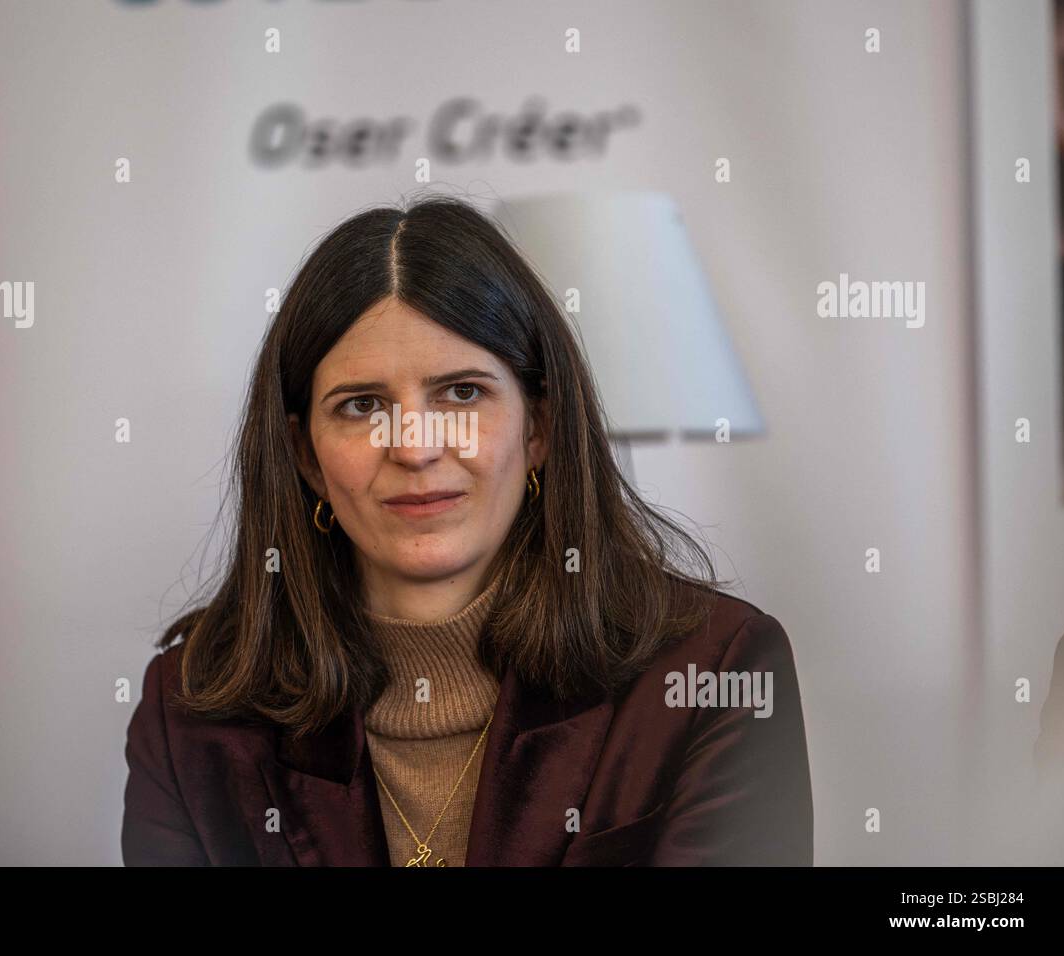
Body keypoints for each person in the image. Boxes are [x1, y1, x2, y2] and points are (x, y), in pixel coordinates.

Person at [121, 195, 813, 866]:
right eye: (362, 405)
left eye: (462, 393)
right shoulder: (187, 711)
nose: (416, 448)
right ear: (305, 456)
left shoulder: (713, 672)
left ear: (538, 428)